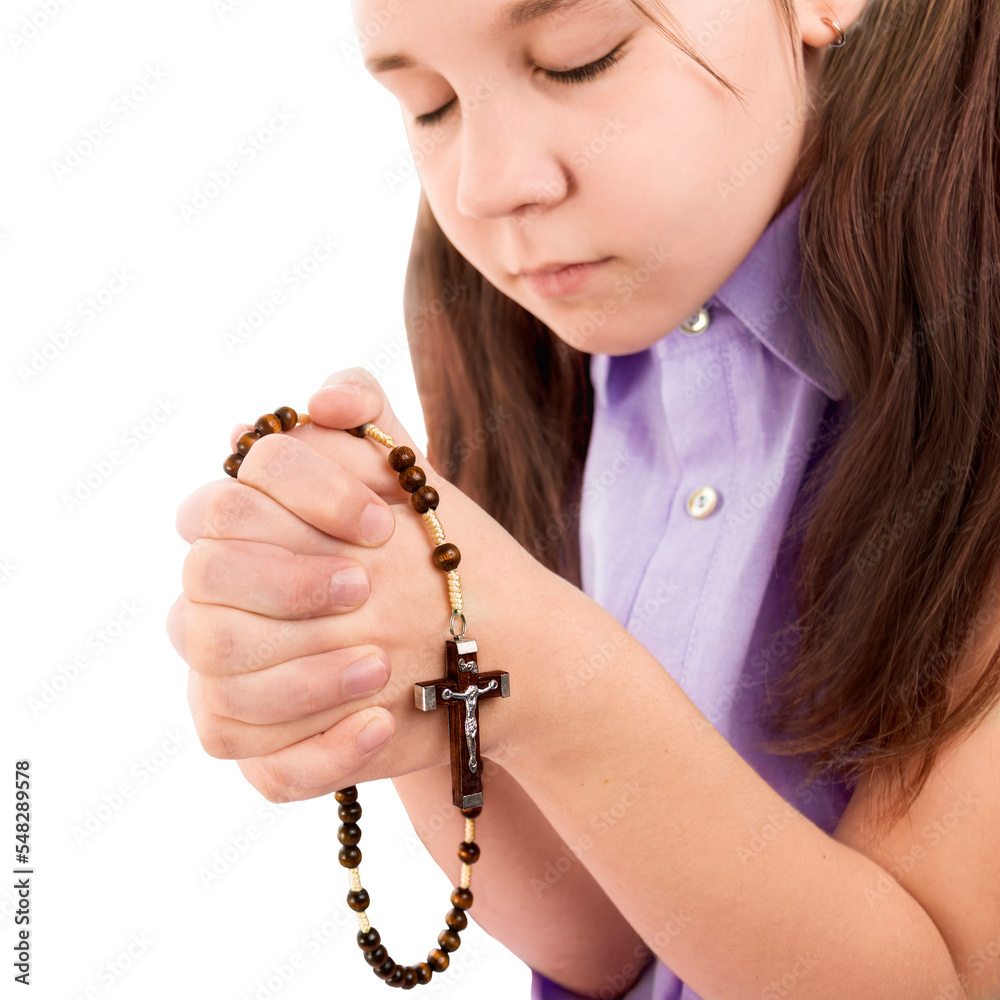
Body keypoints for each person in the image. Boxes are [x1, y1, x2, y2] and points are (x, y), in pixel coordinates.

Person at [166, 0, 1000, 996]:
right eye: (428, 105)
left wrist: (547, 669)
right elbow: (606, 945)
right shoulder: (553, 351)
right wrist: (396, 658)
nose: (486, 185)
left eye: (578, 61)